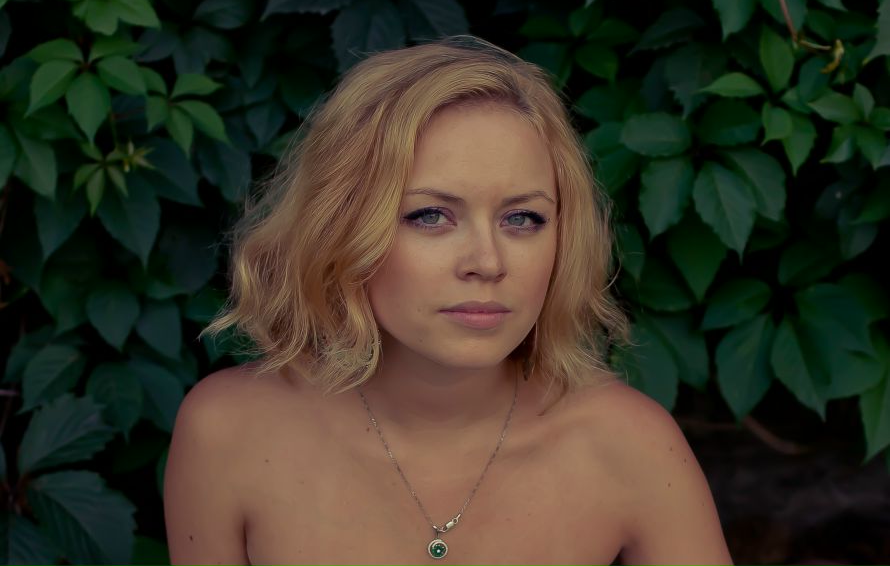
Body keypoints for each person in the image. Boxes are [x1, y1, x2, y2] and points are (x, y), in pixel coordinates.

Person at [163, 36, 733, 565]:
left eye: (522, 218)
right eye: (431, 215)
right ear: (341, 225)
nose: (487, 261)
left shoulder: (630, 445)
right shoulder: (230, 432)